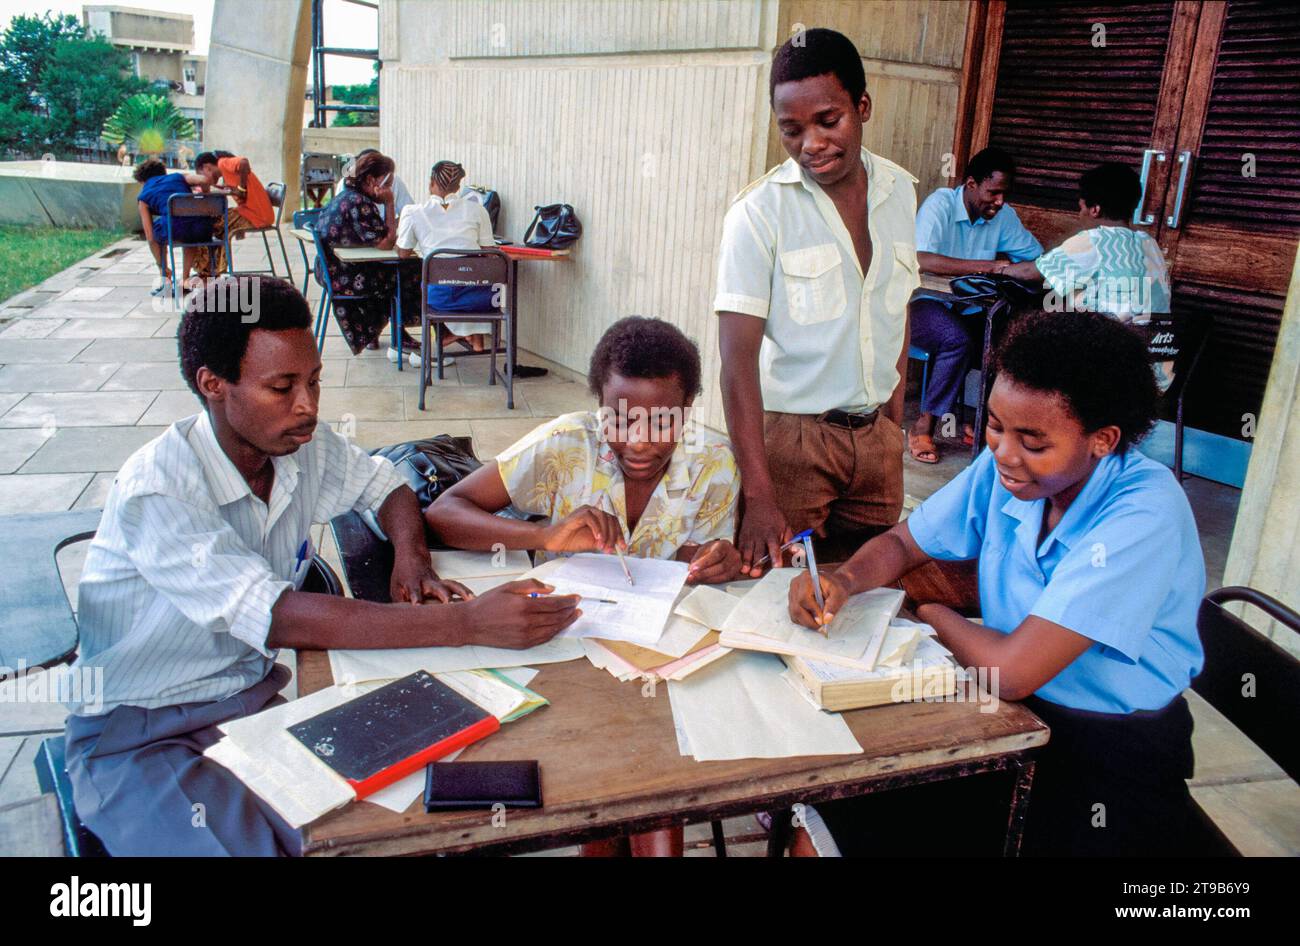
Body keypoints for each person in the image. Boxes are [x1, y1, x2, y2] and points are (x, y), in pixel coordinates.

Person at [63, 276, 581, 856]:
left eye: (312, 381)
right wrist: (468, 623)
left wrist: (412, 562)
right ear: (213, 385)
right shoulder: (159, 489)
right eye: (281, 387)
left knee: (385, 832)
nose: (307, 406)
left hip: (248, 703)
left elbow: (390, 488)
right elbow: (281, 618)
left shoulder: (299, 444)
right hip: (141, 731)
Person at [787, 309, 1211, 856]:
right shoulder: (1006, 470)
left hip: (1107, 752)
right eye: (994, 425)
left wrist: (933, 615)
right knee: (836, 801)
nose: (1005, 454)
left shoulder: (1142, 514)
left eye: (1033, 442)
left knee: (886, 816)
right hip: (1012, 719)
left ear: (1103, 439)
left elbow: (1011, 672)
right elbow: (901, 544)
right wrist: (843, 581)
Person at [426, 316, 741, 857]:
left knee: (643, 774)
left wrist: (714, 561)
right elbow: (444, 511)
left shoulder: (715, 465)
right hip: (564, 651)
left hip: (655, 663)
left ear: (688, 412)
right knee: (622, 781)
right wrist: (545, 535)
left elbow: (697, 559)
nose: (639, 441)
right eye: (620, 419)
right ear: (598, 403)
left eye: (663, 422)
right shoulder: (566, 444)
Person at [716, 27, 919, 576]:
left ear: (863, 106)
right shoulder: (758, 215)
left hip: (876, 441)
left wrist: (893, 425)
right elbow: (736, 366)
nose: (812, 143)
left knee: (866, 595)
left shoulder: (901, 191)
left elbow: (896, 310)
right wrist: (759, 493)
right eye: (792, 130)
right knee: (776, 594)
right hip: (791, 447)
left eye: (829, 121)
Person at [908, 146, 1043, 462]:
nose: (999, 201)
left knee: (1008, 339)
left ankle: (982, 423)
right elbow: (921, 259)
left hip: (969, 306)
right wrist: (988, 266)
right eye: (993, 192)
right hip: (920, 304)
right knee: (955, 339)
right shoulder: (940, 205)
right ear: (970, 184)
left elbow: (1037, 258)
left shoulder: (1002, 216)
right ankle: (923, 426)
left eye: (1004, 194)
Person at [1001, 162, 1174, 389]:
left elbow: (1030, 273)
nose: (1079, 214)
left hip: (1112, 372)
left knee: (1025, 348)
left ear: (1095, 209)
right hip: (1155, 374)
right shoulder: (1149, 243)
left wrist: (998, 268)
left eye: (1080, 207)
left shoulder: (1094, 240)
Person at [313, 151, 424, 359]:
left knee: (398, 270)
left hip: (330, 270)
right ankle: (399, 334)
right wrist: (389, 203)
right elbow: (386, 243)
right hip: (344, 277)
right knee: (413, 269)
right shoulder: (359, 203)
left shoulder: (347, 196)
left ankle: (386, 332)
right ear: (372, 179)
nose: (389, 188)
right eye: (387, 182)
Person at [396, 160, 495, 353]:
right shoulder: (478, 210)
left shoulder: (413, 212)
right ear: (458, 186)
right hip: (481, 299)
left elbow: (403, 253)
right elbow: (490, 252)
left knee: (437, 284)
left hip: (439, 299)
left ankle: (452, 336)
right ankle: (474, 338)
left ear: (431, 183)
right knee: (473, 276)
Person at [133, 157, 213, 294]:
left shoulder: (143, 196)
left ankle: (165, 277)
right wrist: (206, 193)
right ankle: (185, 279)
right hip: (202, 230)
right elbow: (204, 180)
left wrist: (160, 264)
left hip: (174, 231)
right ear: (163, 172)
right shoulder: (178, 177)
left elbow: (150, 237)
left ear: (142, 181)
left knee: (158, 230)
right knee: (189, 225)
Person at [193, 150, 275, 276]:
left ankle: (205, 270)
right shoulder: (226, 174)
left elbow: (243, 162)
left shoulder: (222, 163)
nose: (202, 179)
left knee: (206, 226)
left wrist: (241, 188)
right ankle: (212, 271)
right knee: (215, 224)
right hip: (253, 212)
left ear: (207, 167)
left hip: (256, 214)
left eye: (201, 175)